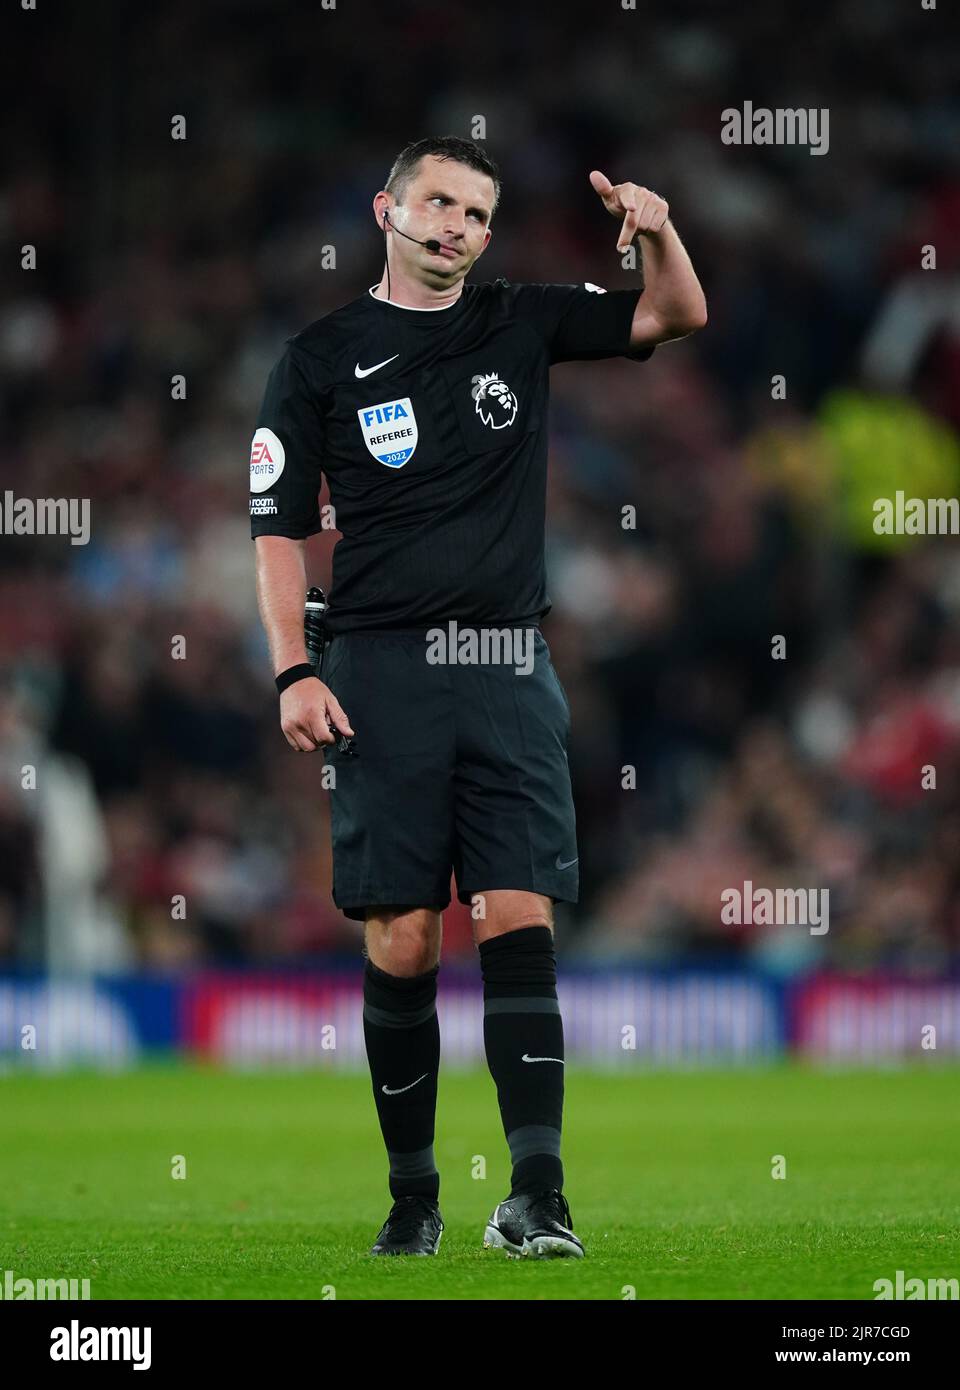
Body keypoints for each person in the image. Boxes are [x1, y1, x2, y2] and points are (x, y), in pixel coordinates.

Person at [251, 135, 707, 1259]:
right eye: (439, 202)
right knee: (405, 936)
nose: (457, 224)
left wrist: (657, 227)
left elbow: (675, 316)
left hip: (508, 665)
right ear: (387, 210)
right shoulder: (319, 358)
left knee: (518, 914)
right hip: (378, 669)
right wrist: (291, 668)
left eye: (477, 212)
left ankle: (538, 1193)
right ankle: (414, 1198)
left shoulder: (521, 319)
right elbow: (274, 532)